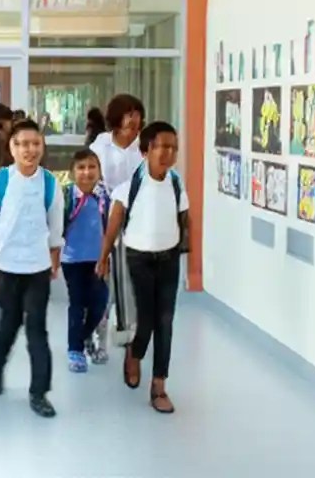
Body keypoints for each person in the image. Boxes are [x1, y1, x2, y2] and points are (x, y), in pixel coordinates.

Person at [96, 122, 189, 414]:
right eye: (162, 146)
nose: (168, 152)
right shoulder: (128, 188)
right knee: (146, 320)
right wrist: (102, 258)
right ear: (146, 150)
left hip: (169, 259)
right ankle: (134, 355)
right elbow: (112, 229)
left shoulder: (176, 184)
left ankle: (159, 385)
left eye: (173, 147)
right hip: (138, 259)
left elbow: (185, 221)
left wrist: (189, 253)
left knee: (165, 322)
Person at [0, 119, 64, 418]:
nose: (30, 149)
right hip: (5, 267)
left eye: (35, 144)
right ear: (12, 148)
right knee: (9, 323)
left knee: (37, 329)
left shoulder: (51, 184)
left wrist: (53, 262)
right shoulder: (1, 181)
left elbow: (55, 230)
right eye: (23, 144)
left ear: (42, 147)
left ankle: (39, 392)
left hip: (38, 269)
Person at [88, 94, 146, 350]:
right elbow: (90, 180)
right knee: (102, 273)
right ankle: (95, 327)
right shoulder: (101, 145)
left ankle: (127, 326)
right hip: (104, 215)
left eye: (137, 114)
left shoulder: (145, 146)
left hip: (135, 217)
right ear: (116, 118)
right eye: (128, 114)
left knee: (130, 274)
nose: (133, 120)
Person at [60, 149, 112, 371]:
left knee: (100, 303)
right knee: (78, 304)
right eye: (81, 167)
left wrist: (107, 254)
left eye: (92, 167)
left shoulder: (105, 196)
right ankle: (75, 350)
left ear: (99, 171)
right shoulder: (66, 196)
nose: (87, 172)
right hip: (72, 260)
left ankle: (84, 336)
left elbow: (111, 226)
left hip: (99, 260)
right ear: (72, 173)